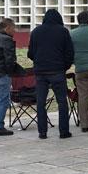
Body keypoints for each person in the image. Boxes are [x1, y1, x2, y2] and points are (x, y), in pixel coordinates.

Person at [28, 9, 74, 140]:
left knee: (41, 102)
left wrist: (38, 61)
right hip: (57, 71)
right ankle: (64, 131)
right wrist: (64, 67)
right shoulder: (63, 31)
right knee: (62, 102)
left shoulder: (36, 32)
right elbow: (70, 52)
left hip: (40, 72)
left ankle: (42, 132)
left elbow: (30, 53)